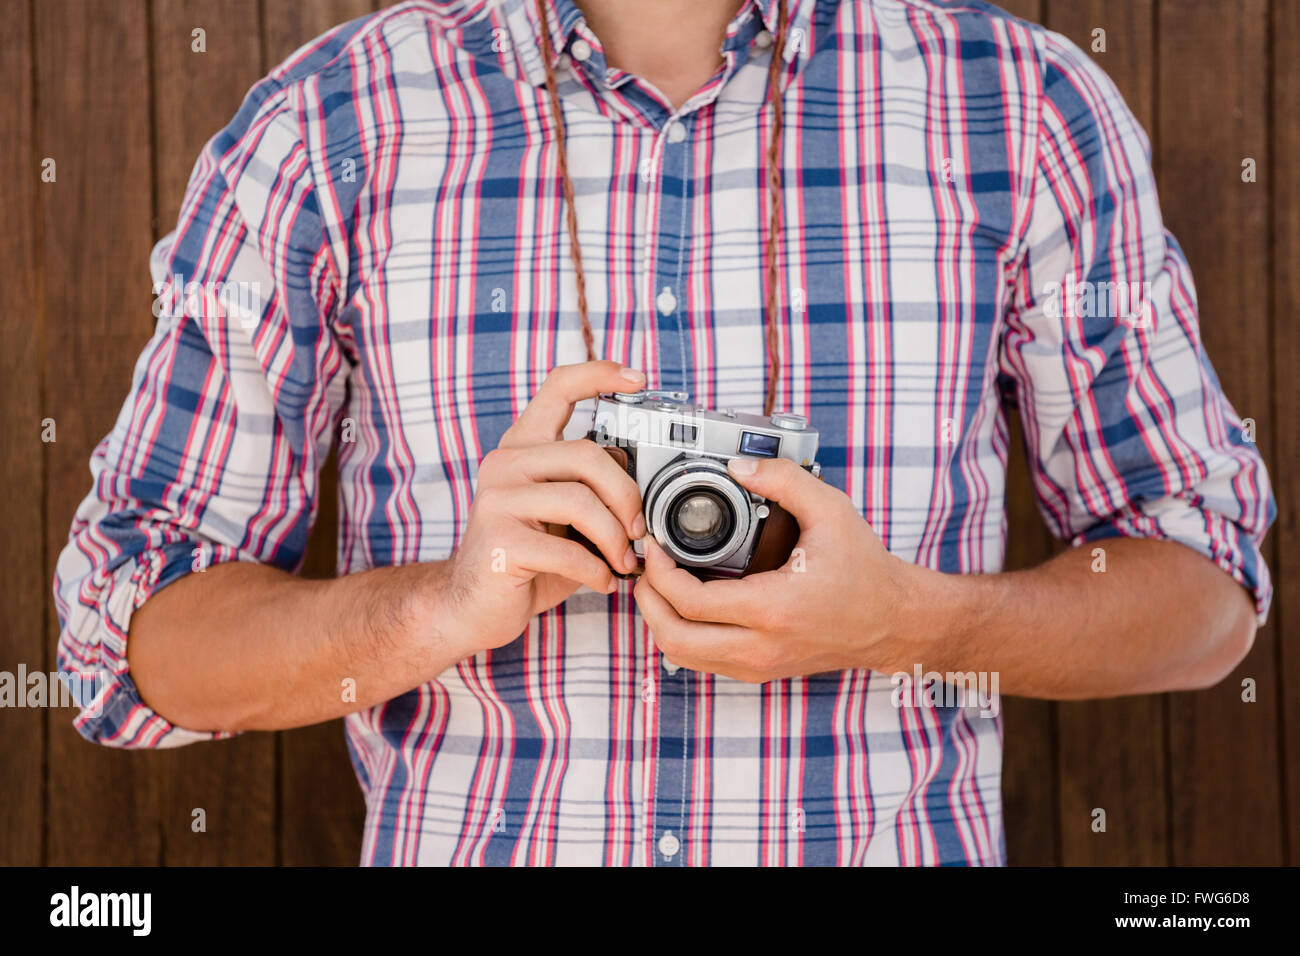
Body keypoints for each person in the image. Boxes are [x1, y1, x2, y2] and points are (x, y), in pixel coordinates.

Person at [55, 0, 1273, 866]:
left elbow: (1204, 587)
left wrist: (909, 620)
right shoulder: (328, 126)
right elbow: (133, 633)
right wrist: (439, 607)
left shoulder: (1021, 106)